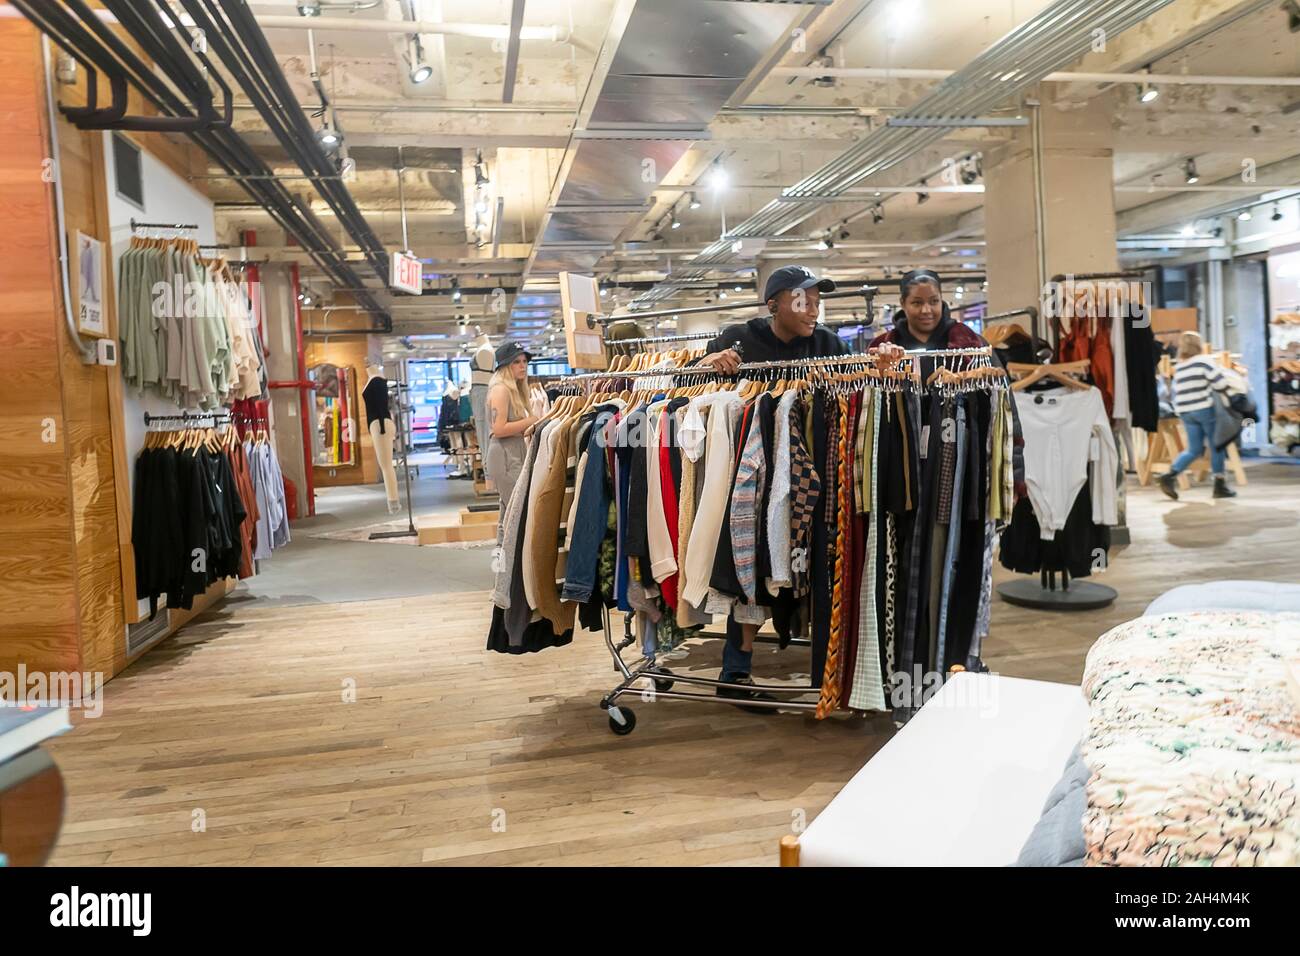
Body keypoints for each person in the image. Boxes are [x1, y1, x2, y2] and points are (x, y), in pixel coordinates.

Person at [694, 265, 902, 710]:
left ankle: (827, 664)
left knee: (811, 559)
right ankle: (735, 670)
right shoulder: (738, 337)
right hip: (751, 463)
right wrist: (707, 364)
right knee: (750, 558)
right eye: (802, 299)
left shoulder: (826, 343)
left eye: (817, 300)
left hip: (813, 462)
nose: (813, 309)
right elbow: (690, 385)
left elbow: (860, 377)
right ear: (773, 304)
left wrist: (882, 367)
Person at [1159, 331, 1237, 500]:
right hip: (1204, 409)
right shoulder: (1203, 362)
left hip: (1185, 412)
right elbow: (1220, 383)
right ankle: (1219, 485)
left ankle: (1169, 476)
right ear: (1198, 345)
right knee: (1217, 446)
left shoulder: (1179, 367)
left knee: (1193, 449)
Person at [486, 342, 540, 522]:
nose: (523, 365)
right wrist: (531, 421)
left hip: (513, 452)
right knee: (517, 512)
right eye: (516, 362)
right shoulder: (501, 390)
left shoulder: (514, 390)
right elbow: (498, 429)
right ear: (505, 366)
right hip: (504, 455)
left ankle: (502, 549)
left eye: (524, 361)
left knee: (509, 510)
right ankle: (512, 550)